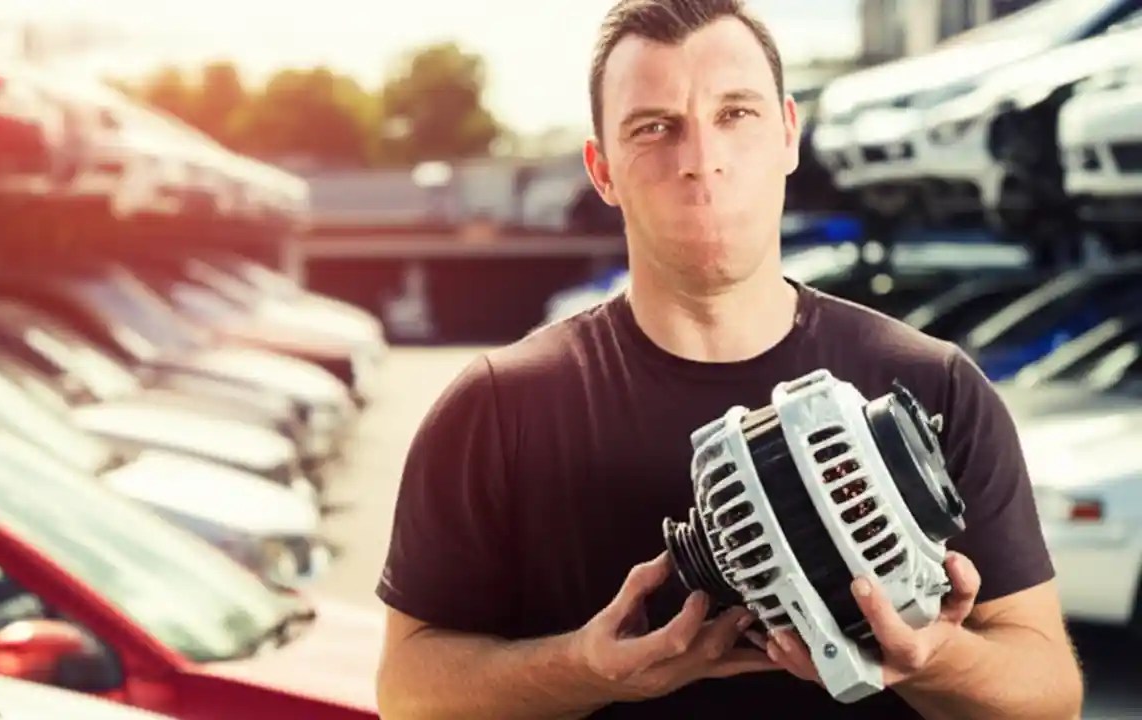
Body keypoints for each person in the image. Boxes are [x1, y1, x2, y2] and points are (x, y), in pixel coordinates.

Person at [373, 0, 1084, 717]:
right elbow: (407, 695)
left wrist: (933, 655)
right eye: (654, 128)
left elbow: (1048, 696)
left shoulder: (939, 387)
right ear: (603, 169)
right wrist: (580, 670)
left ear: (788, 134)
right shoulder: (497, 408)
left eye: (735, 114)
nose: (700, 159)